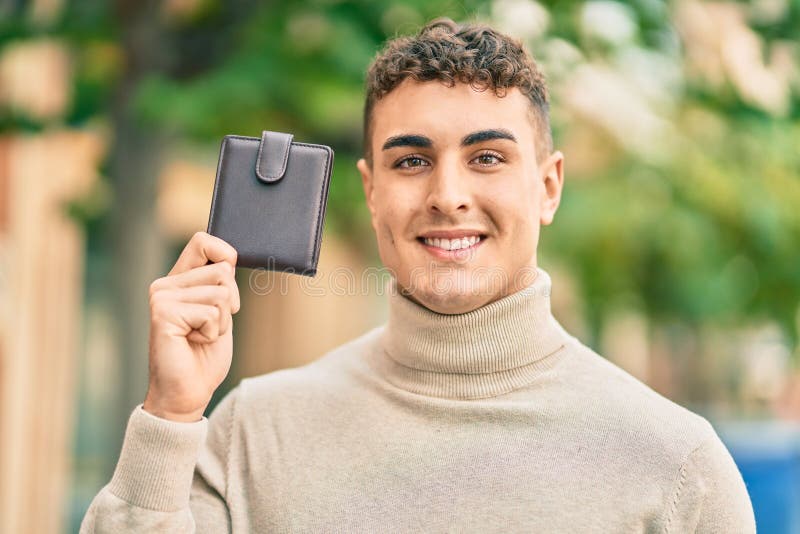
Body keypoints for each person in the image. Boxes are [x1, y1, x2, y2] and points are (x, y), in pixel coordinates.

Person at [81, 18, 756, 533]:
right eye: (411, 161)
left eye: (487, 157)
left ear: (548, 187)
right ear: (371, 192)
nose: (447, 196)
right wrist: (171, 415)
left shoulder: (676, 467)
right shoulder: (253, 431)